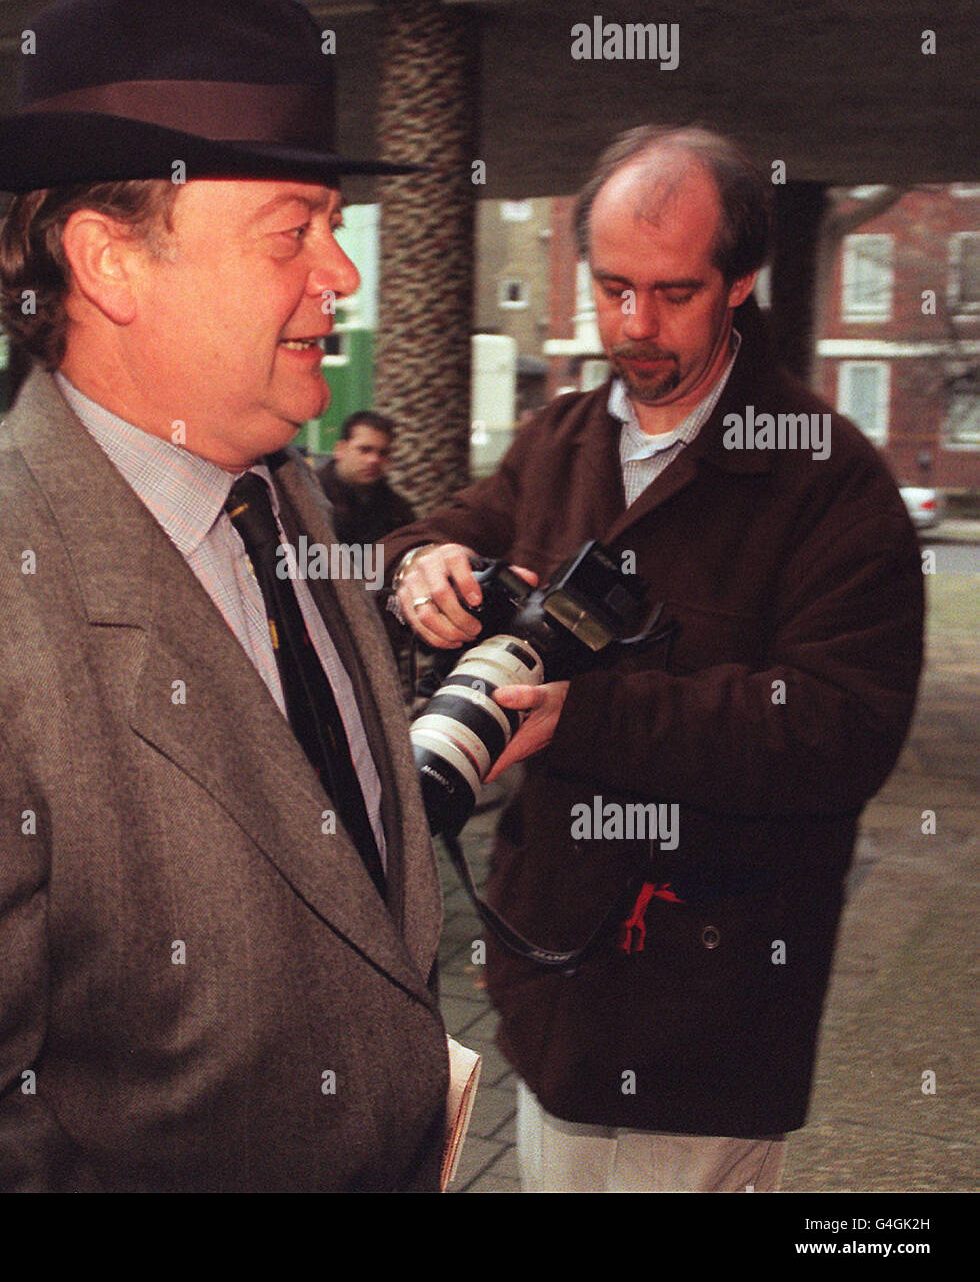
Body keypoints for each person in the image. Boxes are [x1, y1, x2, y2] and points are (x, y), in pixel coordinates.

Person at [0, 0, 450, 1192]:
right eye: (291, 230)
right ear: (110, 263)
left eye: (331, 225)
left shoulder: (284, 492)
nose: (341, 274)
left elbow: (306, 828)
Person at [382, 125, 924, 1192]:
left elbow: (836, 728)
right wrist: (421, 567)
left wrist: (580, 717)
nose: (635, 325)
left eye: (672, 292)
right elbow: (432, 532)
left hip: (705, 1015)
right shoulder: (560, 438)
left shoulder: (828, 477)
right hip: (551, 992)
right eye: (612, 287)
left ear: (740, 283)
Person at [317, 410, 416, 546]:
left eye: (383, 453)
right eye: (364, 450)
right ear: (340, 450)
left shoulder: (397, 511)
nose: (374, 460)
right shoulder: (310, 496)